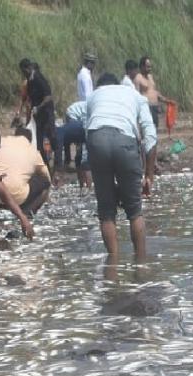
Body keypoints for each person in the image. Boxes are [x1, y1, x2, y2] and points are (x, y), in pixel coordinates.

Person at [86, 73, 156, 261]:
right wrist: (149, 176)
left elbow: (89, 131)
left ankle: (113, 266)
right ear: (117, 84)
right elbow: (150, 135)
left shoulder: (93, 96)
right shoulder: (134, 95)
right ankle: (140, 264)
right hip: (125, 140)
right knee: (134, 211)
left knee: (106, 212)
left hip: (97, 140)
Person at [0, 126, 51, 224]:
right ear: (30, 140)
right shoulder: (33, 151)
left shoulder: (1, 141)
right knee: (45, 182)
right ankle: (28, 212)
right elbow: (47, 177)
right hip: (19, 199)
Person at [19, 59, 56, 167]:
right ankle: (45, 166)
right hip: (38, 115)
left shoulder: (39, 78)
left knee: (52, 138)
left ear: (29, 68)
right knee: (39, 143)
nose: (24, 73)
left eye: (24, 71)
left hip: (46, 113)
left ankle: (58, 165)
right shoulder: (29, 80)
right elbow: (29, 98)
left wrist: (38, 107)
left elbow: (48, 97)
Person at [134, 56, 174, 130]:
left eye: (150, 67)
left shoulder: (150, 77)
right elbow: (136, 96)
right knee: (147, 130)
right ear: (142, 66)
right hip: (146, 108)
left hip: (155, 108)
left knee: (155, 129)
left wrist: (166, 101)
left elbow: (155, 92)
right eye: (148, 67)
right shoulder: (138, 78)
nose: (150, 69)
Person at [57, 100, 91, 186]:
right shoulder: (89, 111)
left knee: (79, 156)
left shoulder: (90, 109)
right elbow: (85, 128)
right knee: (81, 157)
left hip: (73, 114)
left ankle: (82, 184)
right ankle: (85, 185)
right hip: (73, 114)